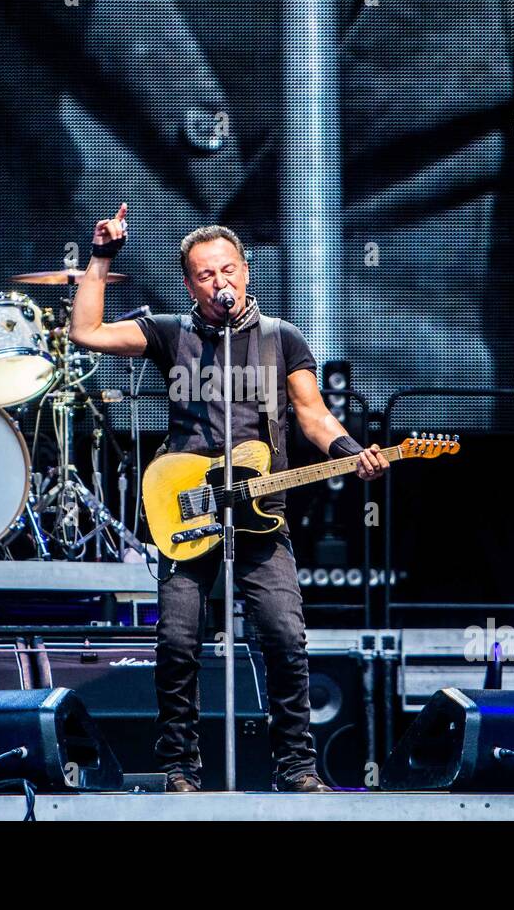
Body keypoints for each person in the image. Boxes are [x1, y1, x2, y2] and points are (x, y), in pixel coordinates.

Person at [71, 205, 388, 791]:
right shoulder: (173, 334)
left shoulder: (280, 340)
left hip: (261, 514)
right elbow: (86, 332)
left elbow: (312, 414)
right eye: (205, 274)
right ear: (190, 283)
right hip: (187, 506)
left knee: (286, 638)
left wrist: (350, 449)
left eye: (228, 270)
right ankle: (180, 769)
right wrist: (101, 256)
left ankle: (295, 766)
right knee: (177, 642)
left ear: (246, 272)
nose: (220, 282)